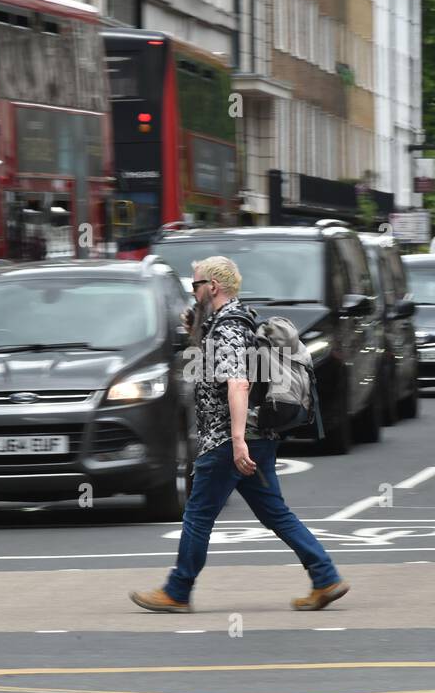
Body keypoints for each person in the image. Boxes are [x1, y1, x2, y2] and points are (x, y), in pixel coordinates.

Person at [130, 256, 349, 613]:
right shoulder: (230, 321)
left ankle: (177, 591)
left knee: (198, 514)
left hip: (229, 440)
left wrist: (236, 442)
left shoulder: (228, 328)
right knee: (275, 513)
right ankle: (325, 577)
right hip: (251, 436)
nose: (192, 292)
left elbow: (238, 384)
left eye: (195, 285)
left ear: (212, 287)